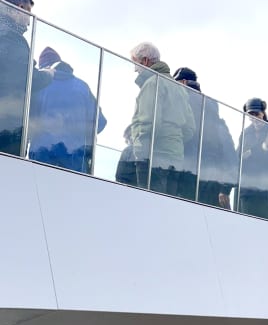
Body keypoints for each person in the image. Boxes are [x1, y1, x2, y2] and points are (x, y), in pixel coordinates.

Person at [123, 42, 195, 198]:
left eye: (135, 63)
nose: (134, 69)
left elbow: (148, 123)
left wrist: (140, 153)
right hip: (176, 158)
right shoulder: (180, 89)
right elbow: (190, 129)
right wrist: (174, 143)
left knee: (150, 207)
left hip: (153, 158)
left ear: (146, 61)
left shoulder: (152, 83)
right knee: (167, 208)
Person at [28, 46, 107, 173]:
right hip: (76, 158)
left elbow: (28, 122)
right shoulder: (82, 87)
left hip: (42, 156)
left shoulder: (39, 86)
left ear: (46, 67)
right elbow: (100, 123)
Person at [172, 67, 237, 208]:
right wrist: (225, 189)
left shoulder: (178, 111)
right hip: (212, 184)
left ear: (183, 82)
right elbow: (231, 157)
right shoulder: (218, 123)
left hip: (184, 179)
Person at [0, 0, 52, 157]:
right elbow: (25, 79)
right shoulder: (11, 38)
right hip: (7, 128)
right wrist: (47, 75)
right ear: (19, 8)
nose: (29, 22)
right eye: (28, 14)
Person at [238, 97, 268, 219]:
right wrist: (262, 148)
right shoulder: (245, 133)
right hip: (248, 191)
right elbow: (238, 157)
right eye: (251, 115)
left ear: (263, 113)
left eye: (257, 114)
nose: (254, 118)